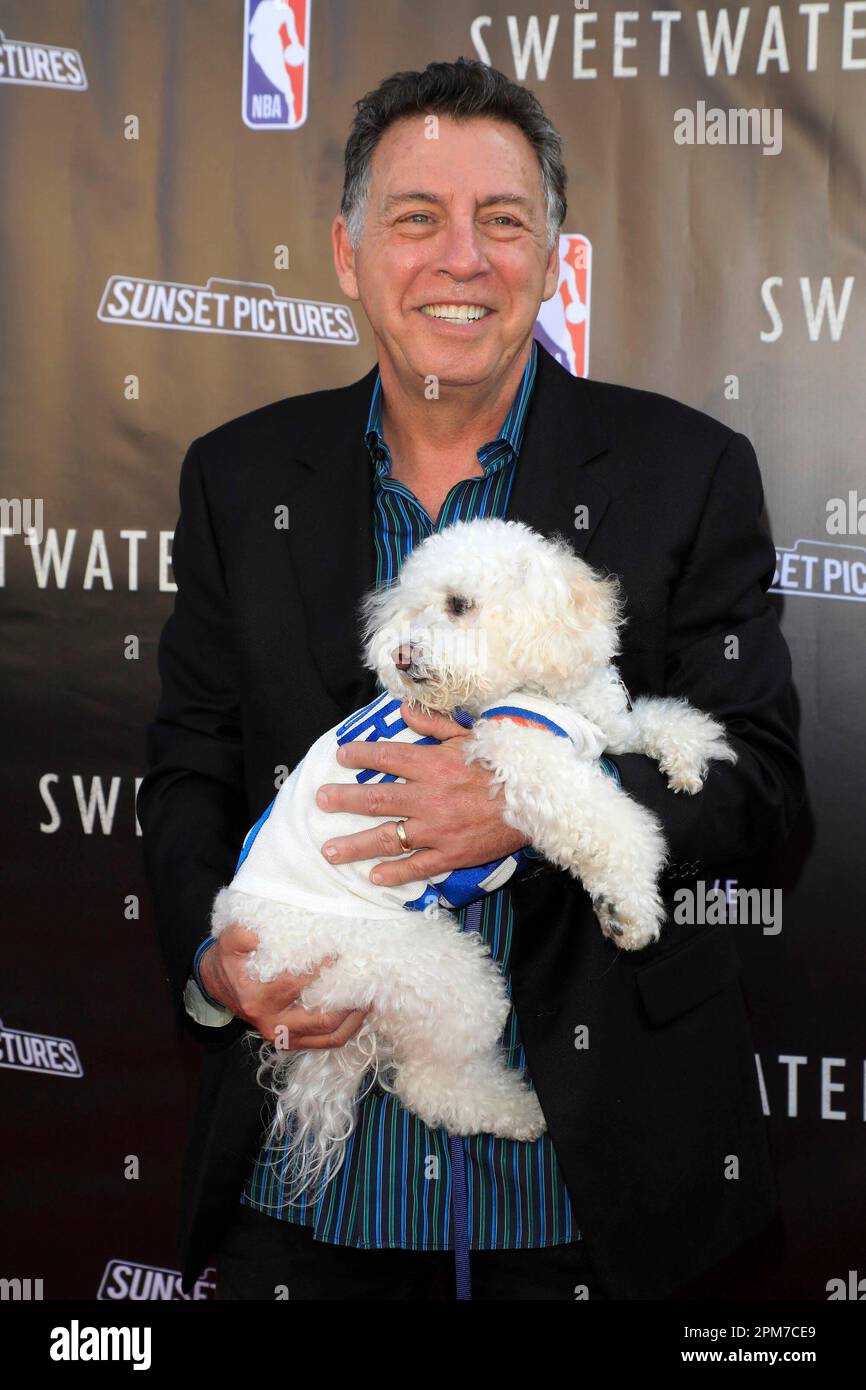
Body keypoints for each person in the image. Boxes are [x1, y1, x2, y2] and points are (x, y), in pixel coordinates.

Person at [137, 57, 805, 1301]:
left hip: (588, 1210)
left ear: (551, 257)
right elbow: (188, 765)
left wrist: (529, 806)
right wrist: (214, 966)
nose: (461, 257)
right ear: (346, 255)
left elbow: (761, 800)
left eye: (502, 220)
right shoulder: (238, 476)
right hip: (309, 1212)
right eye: (415, 217)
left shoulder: (685, 471)